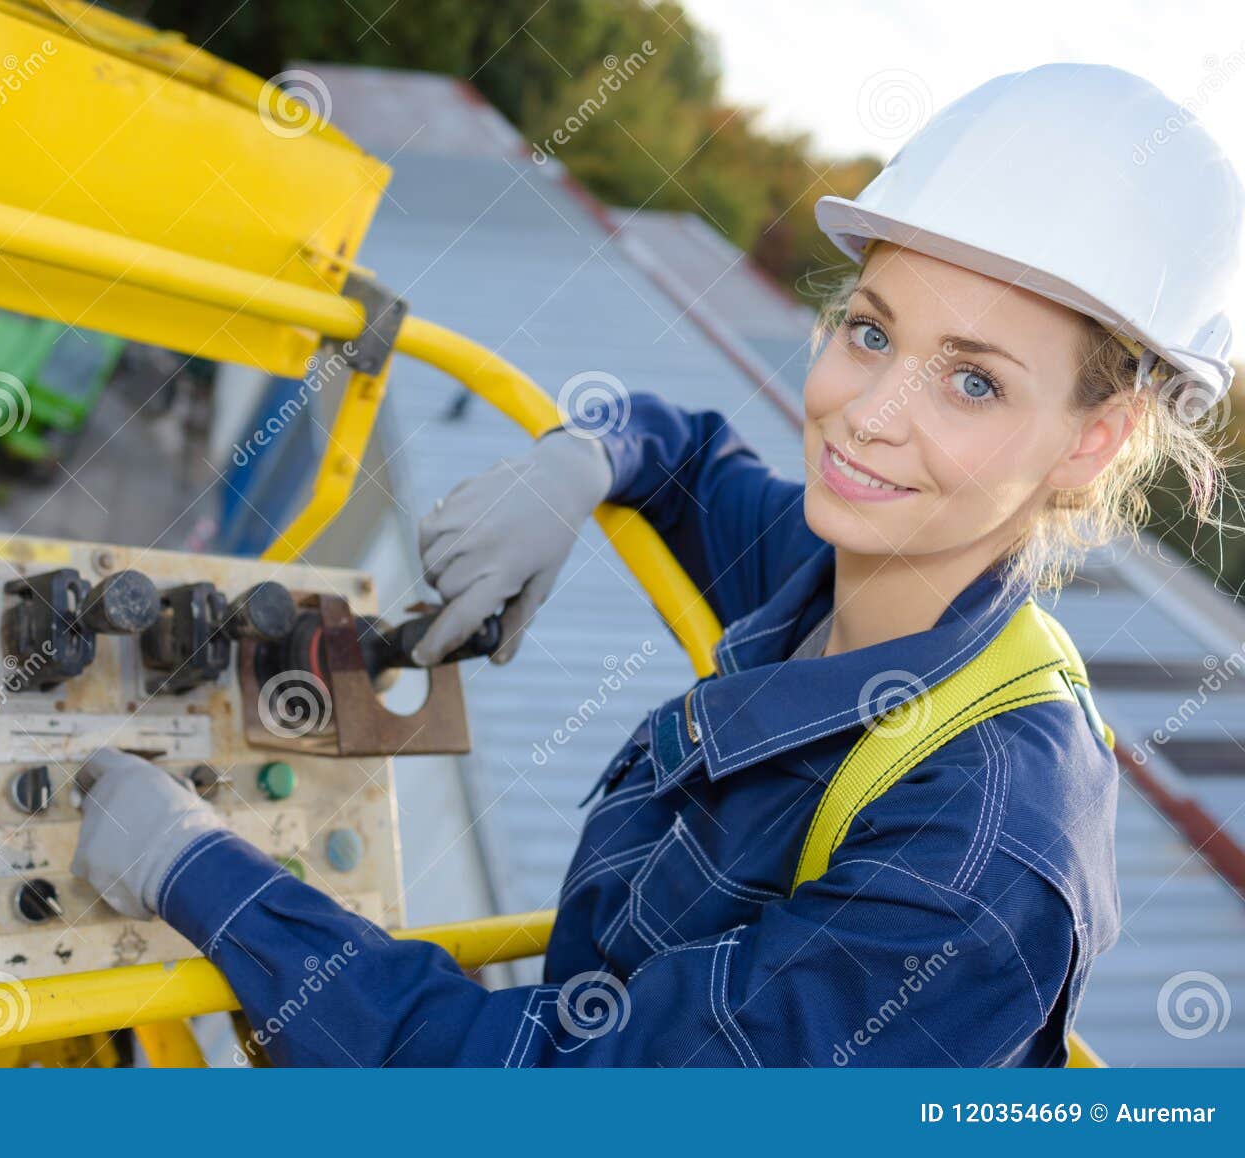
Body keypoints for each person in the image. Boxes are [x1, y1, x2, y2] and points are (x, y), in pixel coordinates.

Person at [71, 63, 1241, 1066]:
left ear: (1095, 440)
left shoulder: (975, 869)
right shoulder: (855, 575)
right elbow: (681, 454)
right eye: (872, 331)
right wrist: (579, 463)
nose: (867, 415)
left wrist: (199, 875)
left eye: (973, 379)